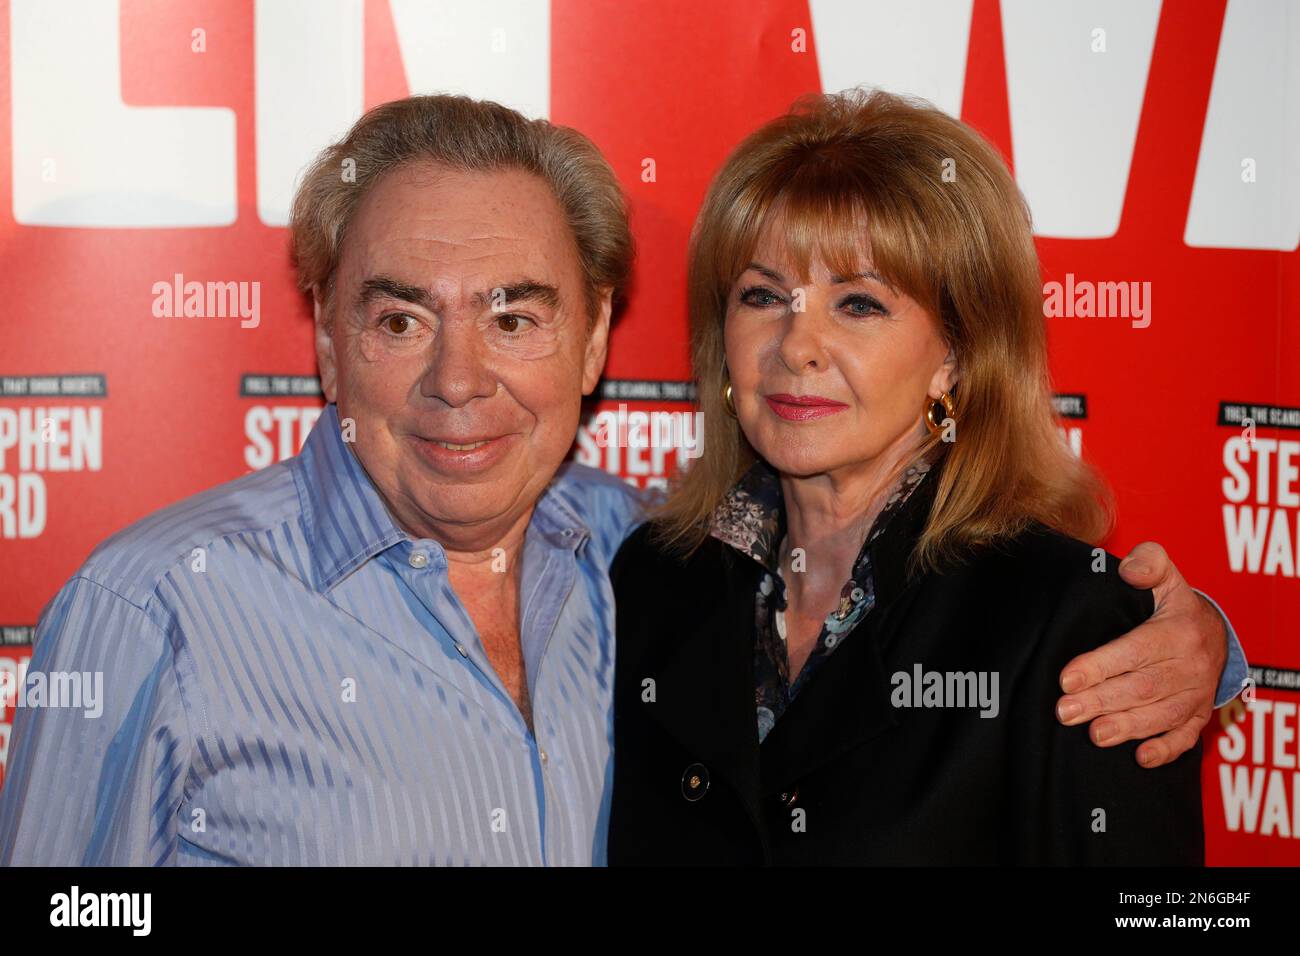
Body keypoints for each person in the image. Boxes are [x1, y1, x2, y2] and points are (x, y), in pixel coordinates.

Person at [0, 93, 1242, 867]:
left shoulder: (635, 560)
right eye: (396, 320)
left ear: (596, 339)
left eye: (515, 315)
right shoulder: (152, 605)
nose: (458, 380)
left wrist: (1195, 642)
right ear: (323, 334)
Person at [607, 89, 1214, 864]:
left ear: (956, 354)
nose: (797, 346)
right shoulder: (657, 580)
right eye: (762, 296)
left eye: (859, 304)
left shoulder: (1069, 624)